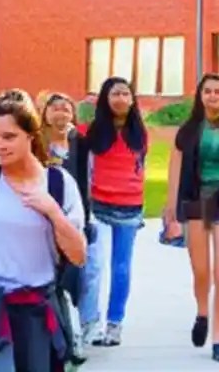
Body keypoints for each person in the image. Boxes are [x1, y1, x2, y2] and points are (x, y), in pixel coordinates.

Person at [0, 95, 87, 371]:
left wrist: (53, 212)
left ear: (31, 136)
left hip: (37, 305)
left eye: (8, 137)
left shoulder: (59, 184)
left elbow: (79, 256)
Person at [163, 74, 219, 364]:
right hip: (196, 203)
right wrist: (171, 211)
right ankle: (202, 313)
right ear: (200, 96)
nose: (212, 96)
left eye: (218, 92)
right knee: (202, 272)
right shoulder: (187, 132)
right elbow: (174, 173)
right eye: (207, 91)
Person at [72, 77, 149, 348]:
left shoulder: (140, 133)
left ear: (132, 99)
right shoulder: (91, 133)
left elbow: (142, 167)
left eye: (125, 93)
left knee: (121, 269)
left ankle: (115, 324)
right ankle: (89, 323)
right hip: (99, 208)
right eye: (114, 93)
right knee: (93, 266)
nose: (120, 99)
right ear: (105, 98)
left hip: (130, 209)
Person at [37, 91, 91, 362]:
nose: (60, 113)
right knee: (52, 285)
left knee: (71, 284)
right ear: (44, 113)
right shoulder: (37, 144)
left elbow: (88, 182)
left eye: (66, 108)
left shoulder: (80, 144)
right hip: (41, 221)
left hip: (74, 219)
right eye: (54, 108)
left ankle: (73, 338)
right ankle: (63, 340)